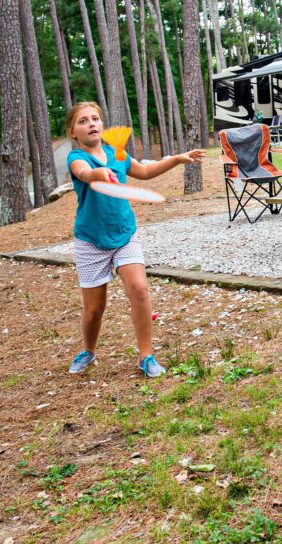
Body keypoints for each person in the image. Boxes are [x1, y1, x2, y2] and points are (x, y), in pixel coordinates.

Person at [64, 101, 205, 378]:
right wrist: (98, 174)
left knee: (139, 289)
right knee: (94, 308)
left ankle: (146, 356)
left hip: (125, 233)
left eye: (95, 119)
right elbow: (83, 172)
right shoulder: (76, 158)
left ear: (102, 125)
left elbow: (145, 172)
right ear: (72, 132)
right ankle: (89, 350)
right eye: (83, 121)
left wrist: (176, 159)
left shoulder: (116, 154)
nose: (91, 124)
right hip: (90, 240)